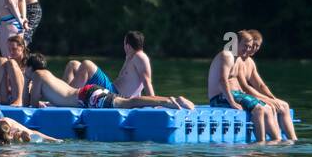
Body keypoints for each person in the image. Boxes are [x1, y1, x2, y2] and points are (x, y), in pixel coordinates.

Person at [24, 53, 194, 109]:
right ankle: (170, 100)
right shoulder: (45, 75)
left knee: (127, 103)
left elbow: (30, 104)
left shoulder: (38, 76)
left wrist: (26, 82)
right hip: (87, 93)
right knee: (127, 102)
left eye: (26, 69)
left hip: (86, 96)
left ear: (31, 68)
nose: (24, 71)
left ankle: (169, 101)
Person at [206, 32, 277, 143]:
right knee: (259, 109)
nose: (247, 49)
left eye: (249, 47)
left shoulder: (237, 59)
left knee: (267, 108)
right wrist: (232, 103)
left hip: (235, 94)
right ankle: (260, 144)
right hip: (219, 97)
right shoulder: (227, 56)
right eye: (245, 45)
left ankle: (276, 141)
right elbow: (222, 81)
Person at [234, 29, 297, 142]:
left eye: (257, 46)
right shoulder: (238, 60)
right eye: (253, 45)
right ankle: (275, 139)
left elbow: (260, 85)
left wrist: (272, 98)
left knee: (284, 105)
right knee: (270, 106)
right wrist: (268, 100)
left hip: (250, 94)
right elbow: (245, 88)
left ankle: (292, 140)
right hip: (243, 95)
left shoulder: (250, 62)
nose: (255, 49)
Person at [64, 31, 159, 98]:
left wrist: (154, 104)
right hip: (112, 89)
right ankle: (60, 95)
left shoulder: (140, 57)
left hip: (113, 94)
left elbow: (146, 82)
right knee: (73, 64)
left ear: (128, 46)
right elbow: (136, 86)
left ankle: (65, 96)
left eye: (124, 44)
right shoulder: (131, 58)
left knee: (87, 64)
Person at [0, 33, 28, 105]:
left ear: (22, 48)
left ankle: (19, 99)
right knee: (1, 60)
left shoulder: (30, 63)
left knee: (12, 62)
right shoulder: (7, 63)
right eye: (9, 49)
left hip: (23, 97)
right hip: (5, 97)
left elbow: (32, 86)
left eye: (14, 49)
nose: (11, 52)